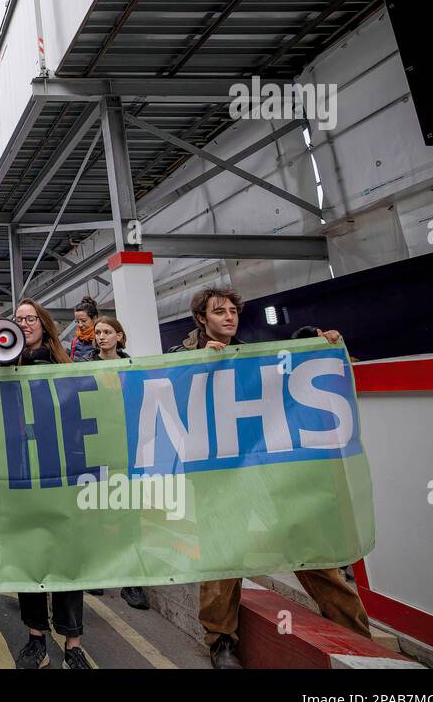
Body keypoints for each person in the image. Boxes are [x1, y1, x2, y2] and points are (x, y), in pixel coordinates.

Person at [172, 285, 371, 669]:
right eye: (219, 312)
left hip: (264, 468)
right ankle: (221, 641)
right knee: (225, 558)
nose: (228, 317)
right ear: (202, 319)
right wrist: (198, 363)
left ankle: (356, 634)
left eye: (232, 310)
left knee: (310, 547)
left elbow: (282, 366)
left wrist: (312, 343)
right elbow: (170, 399)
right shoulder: (182, 357)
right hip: (217, 476)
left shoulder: (248, 353)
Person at [0, 298, 93, 669]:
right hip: (21, 472)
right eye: (18, 319)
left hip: (60, 470)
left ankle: (73, 641)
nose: (25, 323)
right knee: (30, 554)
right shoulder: (3, 364)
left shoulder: (64, 365)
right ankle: (36, 638)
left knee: (65, 555)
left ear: (44, 323)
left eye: (31, 318)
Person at [80, 316, 148, 610]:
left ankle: (131, 580)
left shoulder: (133, 368)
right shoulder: (83, 366)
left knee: (128, 514)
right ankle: (97, 571)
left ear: (120, 336)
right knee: (95, 509)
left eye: (108, 332)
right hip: (95, 446)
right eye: (98, 333)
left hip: (127, 447)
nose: (101, 337)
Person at [68, 296, 99, 361]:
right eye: (77, 321)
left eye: (84, 321)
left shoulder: (103, 339)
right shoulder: (75, 341)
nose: (80, 325)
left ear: (95, 318)